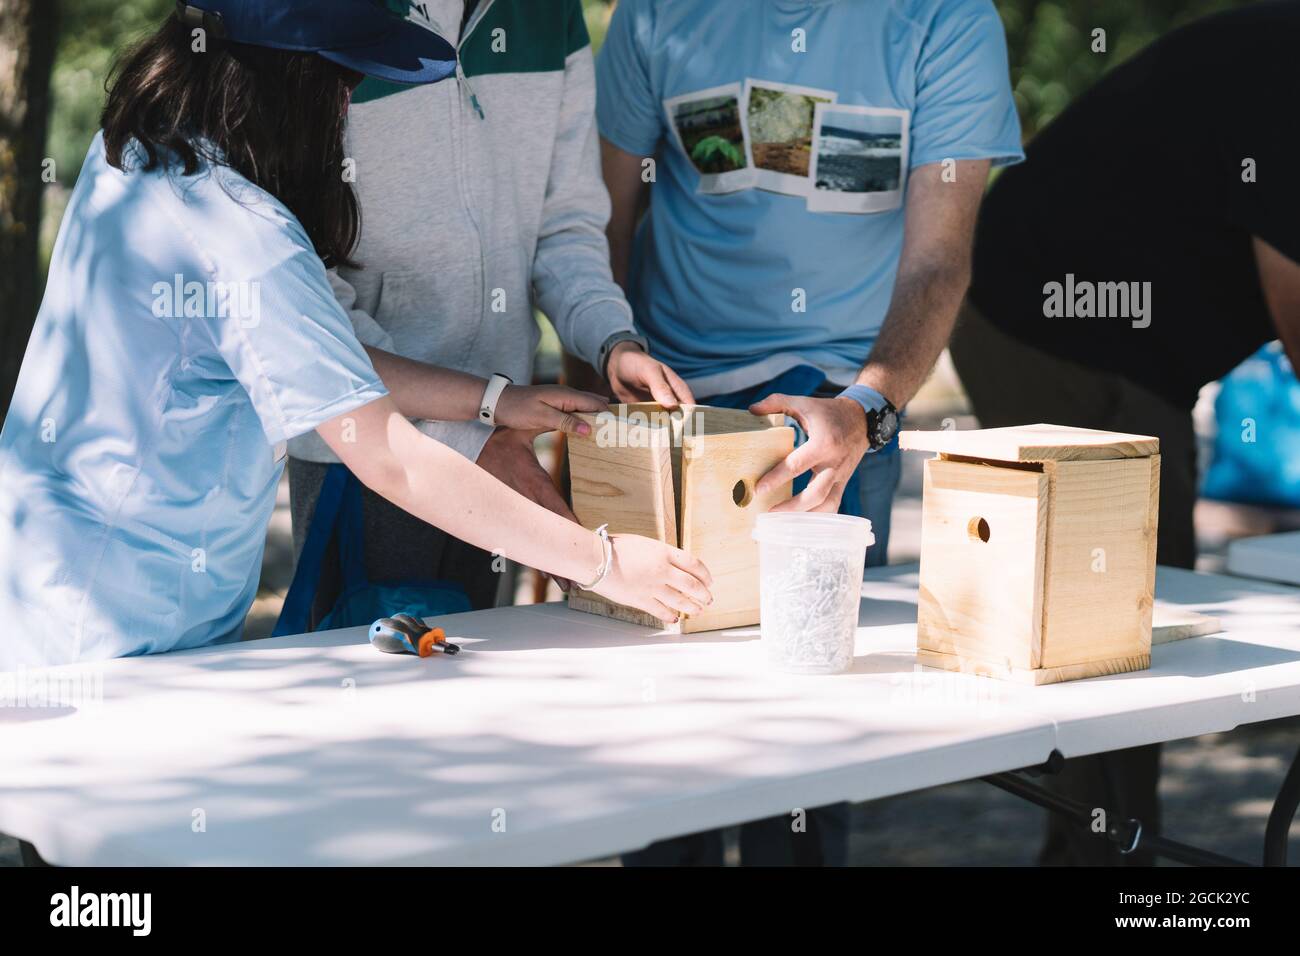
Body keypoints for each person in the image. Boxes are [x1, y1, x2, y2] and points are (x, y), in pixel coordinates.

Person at [0, 0, 712, 671]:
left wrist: (494, 400)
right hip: (115, 629)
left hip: (57, 580)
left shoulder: (138, 152)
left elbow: (317, 356)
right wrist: (606, 563)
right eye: (345, 83)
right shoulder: (247, 235)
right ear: (296, 82)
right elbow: (390, 457)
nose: (347, 107)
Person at [595, 0, 1023, 865]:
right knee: (661, 740)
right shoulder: (656, 12)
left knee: (804, 740)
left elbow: (940, 255)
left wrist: (869, 405)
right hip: (670, 403)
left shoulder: (945, 17)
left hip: (840, 405)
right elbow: (603, 216)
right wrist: (593, 437)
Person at [952, 0, 1300, 865]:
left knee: (1138, 597)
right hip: (1043, 316)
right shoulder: (1285, 77)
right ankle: (1104, 856)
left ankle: (1106, 842)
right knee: (1122, 603)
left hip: (1131, 339)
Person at [285, 0, 696, 623]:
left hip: (507, 444)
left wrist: (611, 339)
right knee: (371, 701)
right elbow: (315, 310)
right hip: (369, 456)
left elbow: (565, 226)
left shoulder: (551, 16)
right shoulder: (328, 19)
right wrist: (472, 434)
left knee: (485, 693)